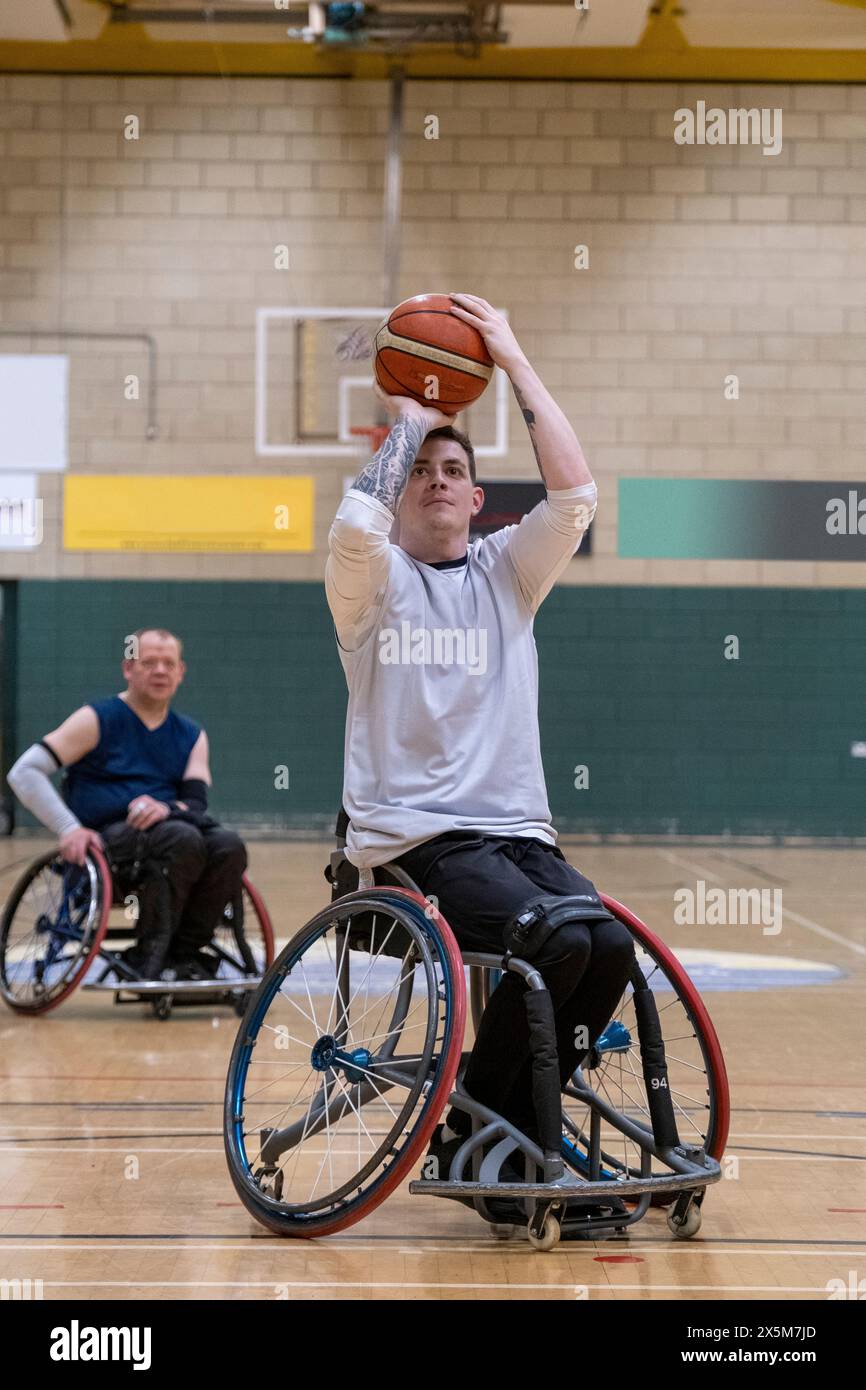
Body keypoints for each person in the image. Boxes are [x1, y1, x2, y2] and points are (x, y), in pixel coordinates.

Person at [325, 292, 636, 1217]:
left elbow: (576, 495)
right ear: (398, 484)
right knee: (550, 938)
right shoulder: (370, 583)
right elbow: (352, 526)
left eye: (453, 466)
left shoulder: (508, 572)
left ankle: (499, 1131)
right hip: (412, 848)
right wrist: (414, 417)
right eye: (419, 467)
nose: (436, 477)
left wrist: (511, 353)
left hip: (517, 840)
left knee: (606, 941)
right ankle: (496, 1147)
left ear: (475, 495)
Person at [6, 626, 247, 980]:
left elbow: (195, 804)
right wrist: (68, 828)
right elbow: (24, 772)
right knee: (182, 838)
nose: (160, 670)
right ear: (128, 669)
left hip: (172, 833)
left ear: (181, 672)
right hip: (110, 841)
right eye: (149, 662)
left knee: (228, 846)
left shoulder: (192, 734)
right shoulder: (97, 719)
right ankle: (149, 954)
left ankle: (183, 953)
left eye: (169, 663)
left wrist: (166, 808)